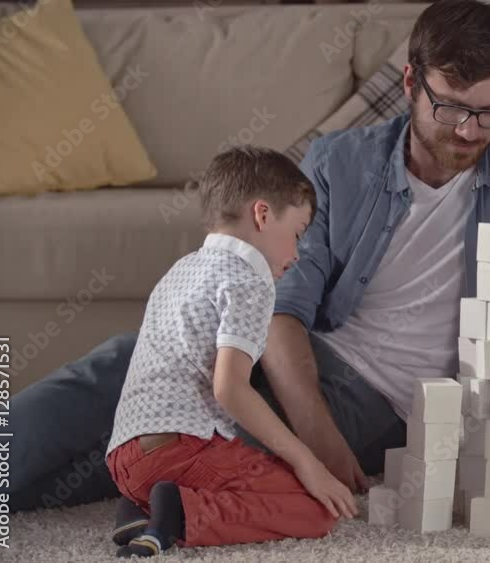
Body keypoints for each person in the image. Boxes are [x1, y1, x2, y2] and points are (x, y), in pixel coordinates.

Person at [0, 0, 490, 514]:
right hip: (306, 355)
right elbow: (284, 307)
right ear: (411, 82)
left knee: (171, 446)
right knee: (131, 363)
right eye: (451, 109)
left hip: (391, 403)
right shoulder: (341, 161)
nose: (471, 131)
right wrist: (315, 435)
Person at [106, 146, 356, 558]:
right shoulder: (249, 280)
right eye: (297, 233)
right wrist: (308, 463)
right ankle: (178, 513)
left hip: (124, 456)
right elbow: (231, 390)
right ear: (262, 215)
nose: (296, 255)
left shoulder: (182, 269)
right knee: (315, 507)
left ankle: (138, 507)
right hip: (176, 451)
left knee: (258, 473)